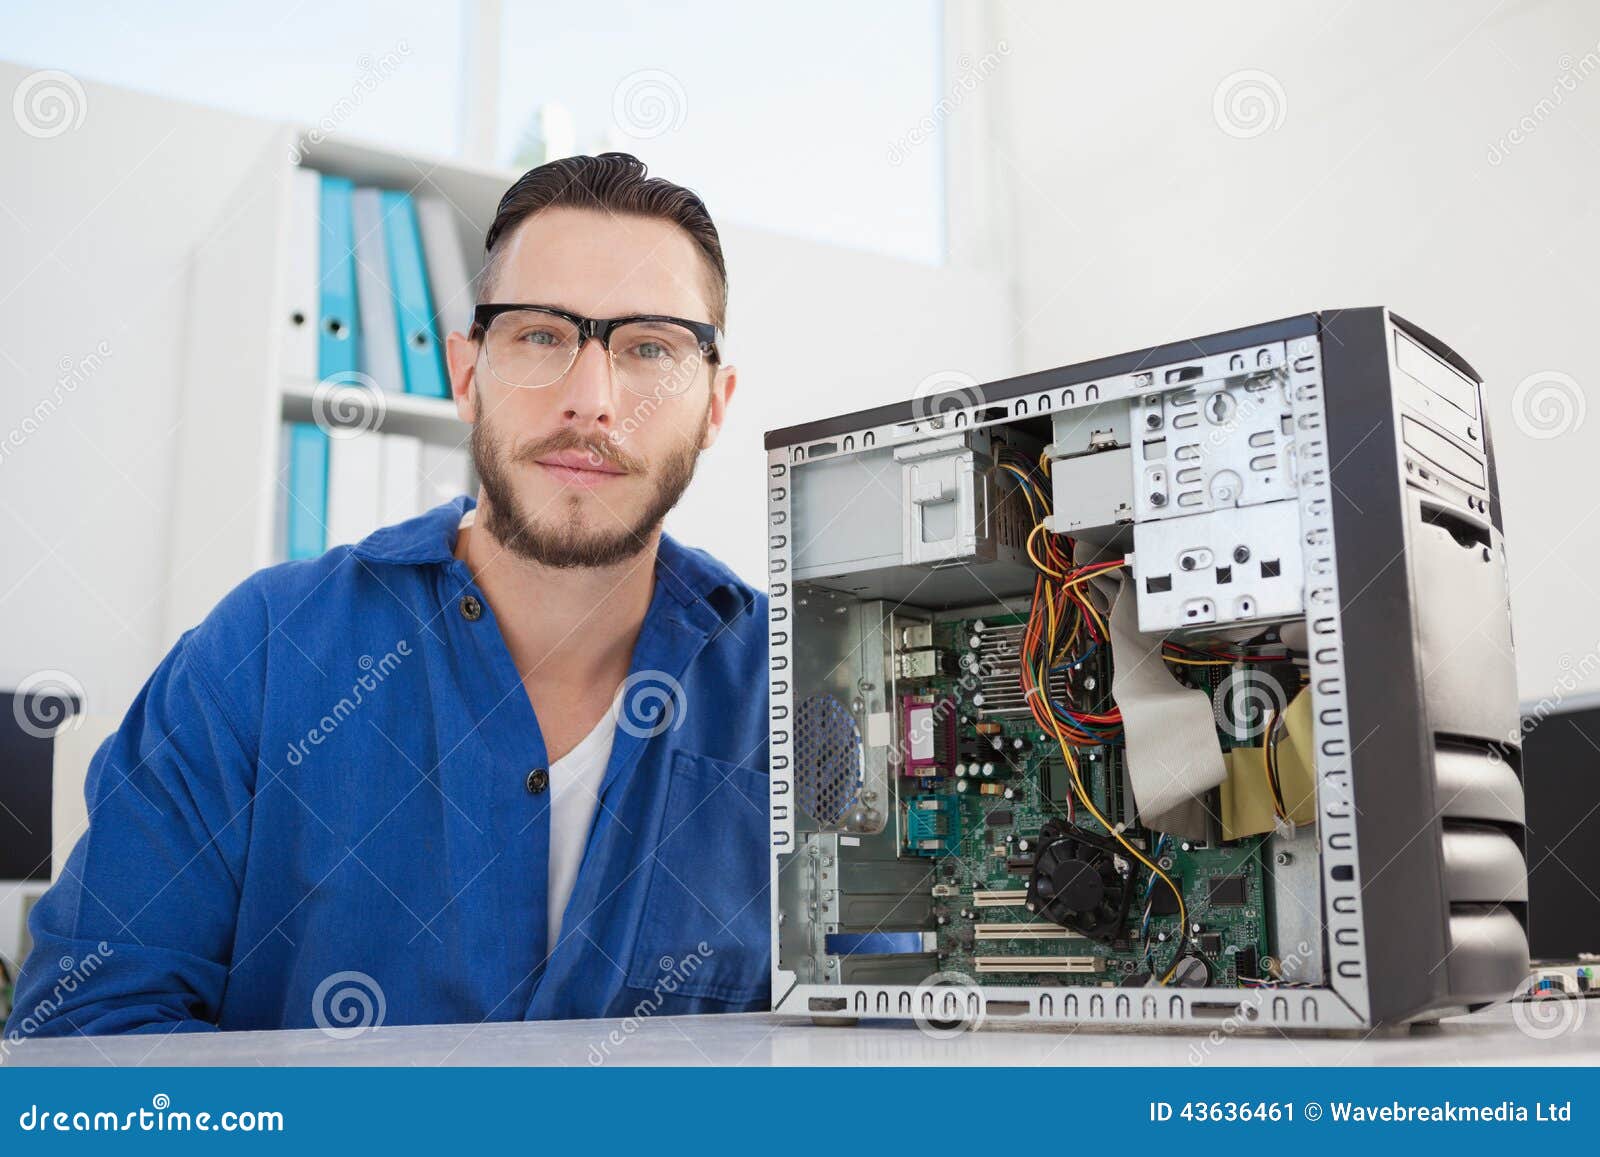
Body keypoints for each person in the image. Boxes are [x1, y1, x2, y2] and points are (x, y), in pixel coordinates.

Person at [5, 153, 770, 1038]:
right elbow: (85, 1035)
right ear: (466, 372)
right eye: (539, 335)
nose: (591, 401)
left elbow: (881, 1048)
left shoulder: (801, 693)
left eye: (650, 348)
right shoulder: (259, 652)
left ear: (716, 405)